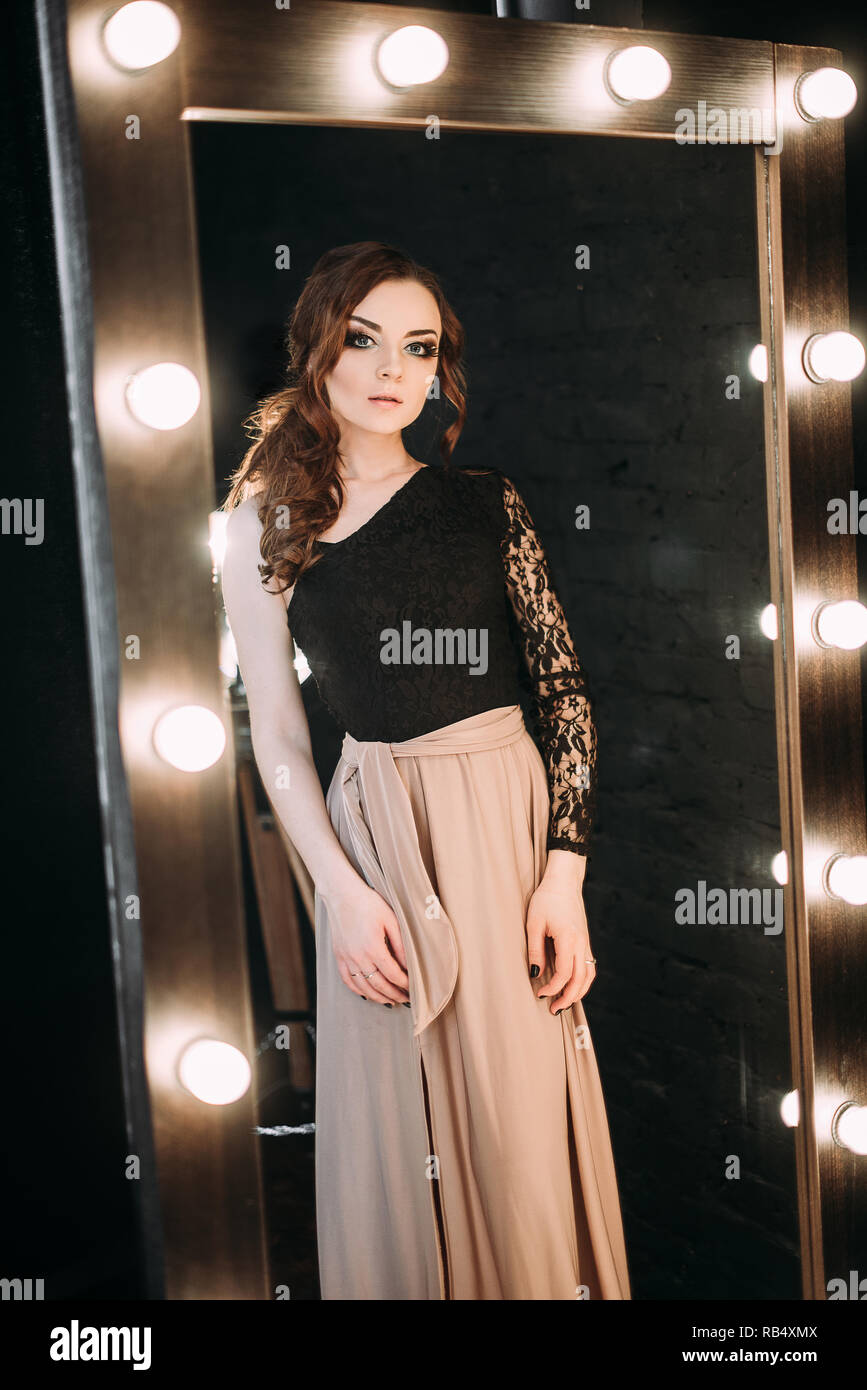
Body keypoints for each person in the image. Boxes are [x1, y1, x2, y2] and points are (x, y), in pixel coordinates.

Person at [221, 240, 631, 1300]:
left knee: (519, 1129)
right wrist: (341, 893)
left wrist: (564, 876)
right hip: (372, 839)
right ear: (318, 344)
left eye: (419, 347)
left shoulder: (487, 503)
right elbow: (275, 734)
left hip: (503, 819)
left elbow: (565, 695)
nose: (390, 369)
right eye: (363, 340)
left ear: (440, 368)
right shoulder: (262, 522)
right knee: (395, 1149)